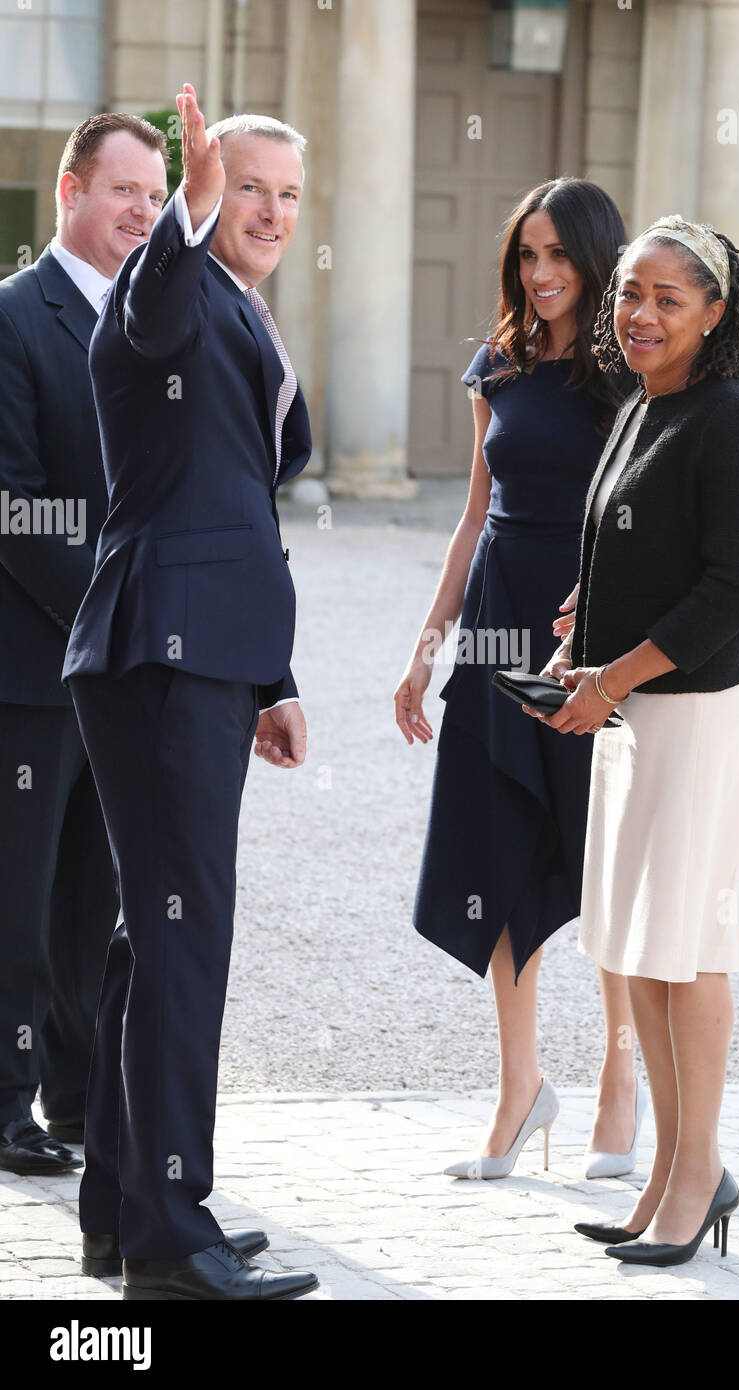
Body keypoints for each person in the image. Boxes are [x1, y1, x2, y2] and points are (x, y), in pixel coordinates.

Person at [62, 84, 317, 1301]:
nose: (267, 211)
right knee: (182, 939)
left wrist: (273, 676)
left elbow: (239, 504)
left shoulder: (239, 311)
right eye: (246, 186)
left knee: (147, 938)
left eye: (285, 196)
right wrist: (187, 208)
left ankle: (125, 1205)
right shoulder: (162, 297)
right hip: (160, 653)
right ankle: (171, 1235)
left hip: (207, 657)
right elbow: (148, 307)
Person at [396, 178, 650, 1180]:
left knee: (603, 864)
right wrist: (425, 650)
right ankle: (519, 1091)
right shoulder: (498, 361)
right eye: (526, 257)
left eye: (558, 256)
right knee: (499, 853)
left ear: (595, 257)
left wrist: (605, 602)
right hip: (501, 627)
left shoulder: (632, 365)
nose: (541, 275)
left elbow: (652, 514)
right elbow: (472, 514)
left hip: (592, 635)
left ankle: (621, 1085)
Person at [535, 214, 739, 1265]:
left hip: (695, 710)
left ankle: (694, 1178)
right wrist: (578, 630)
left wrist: (615, 674)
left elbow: (734, 584)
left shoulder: (731, 417)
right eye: (632, 293)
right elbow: (637, 546)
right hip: (630, 702)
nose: (640, 314)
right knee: (635, 952)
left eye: (668, 299)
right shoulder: (643, 404)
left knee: (689, 950)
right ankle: (682, 1171)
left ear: (714, 314)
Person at [0, 114, 168, 1177]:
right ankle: (5, 1101)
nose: (142, 213)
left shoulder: (157, 322)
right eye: (124, 192)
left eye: (155, 197)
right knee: (16, 894)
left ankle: (75, 1095)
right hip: (30, 663)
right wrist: (108, 613)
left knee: (93, 900)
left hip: (126, 669)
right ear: (70, 192)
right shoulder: (16, 316)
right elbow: (11, 504)